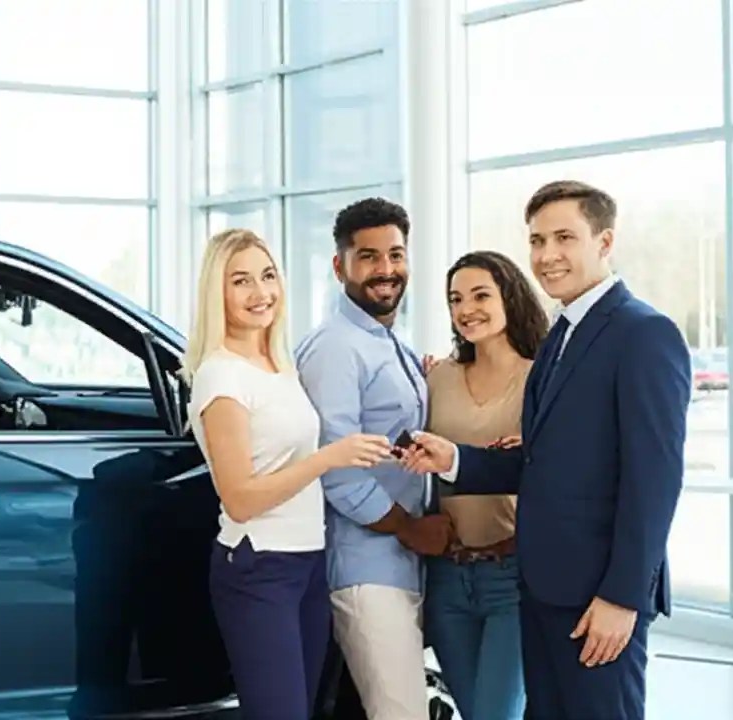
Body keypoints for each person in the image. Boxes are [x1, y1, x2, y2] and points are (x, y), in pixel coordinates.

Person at [400, 180, 690, 720]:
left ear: (604, 242)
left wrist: (623, 597)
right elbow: (542, 463)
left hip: (598, 598)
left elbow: (655, 481)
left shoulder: (643, 334)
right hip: (543, 590)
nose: (547, 256)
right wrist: (456, 460)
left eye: (564, 238)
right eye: (536, 241)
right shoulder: (560, 337)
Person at [181, 228, 393, 720]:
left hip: (307, 561)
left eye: (268, 276)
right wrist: (327, 458)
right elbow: (239, 499)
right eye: (241, 281)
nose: (261, 293)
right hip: (259, 567)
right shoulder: (220, 375)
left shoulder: (279, 363)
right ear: (218, 293)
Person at [295, 198, 454, 720]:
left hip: (405, 567)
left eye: (396, 254)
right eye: (368, 257)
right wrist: (410, 528)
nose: (386, 270)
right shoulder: (336, 348)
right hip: (366, 568)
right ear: (340, 266)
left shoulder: (392, 345)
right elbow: (335, 471)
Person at [422, 251, 549, 720]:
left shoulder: (542, 378)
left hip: (512, 574)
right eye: (456, 299)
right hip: (448, 575)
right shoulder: (436, 377)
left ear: (509, 298)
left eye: (480, 295)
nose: (466, 308)